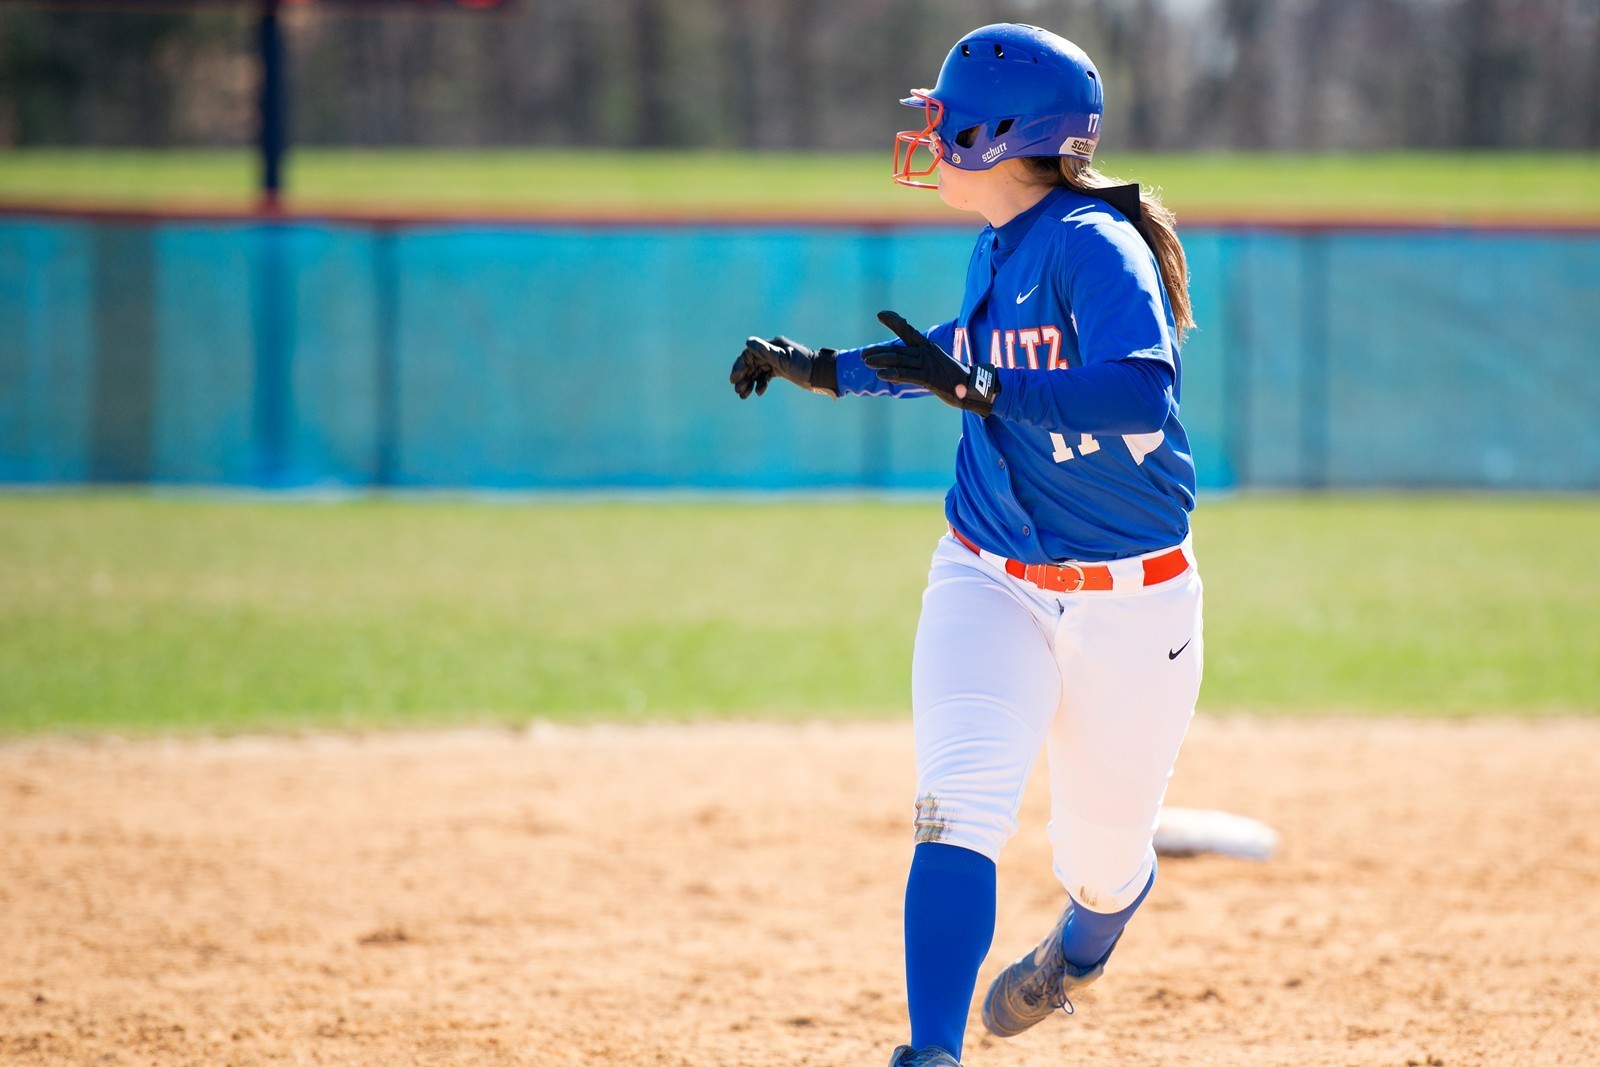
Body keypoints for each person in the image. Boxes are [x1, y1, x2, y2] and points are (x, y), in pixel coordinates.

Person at [729, 23, 1203, 1067]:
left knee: (1103, 859)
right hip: (988, 573)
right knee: (959, 802)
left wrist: (990, 391)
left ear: (1004, 132)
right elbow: (956, 355)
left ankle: (1075, 953)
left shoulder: (1092, 241)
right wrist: (825, 368)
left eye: (943, 115)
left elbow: (1141, 387)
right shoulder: (1000, 242)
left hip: (1132, 598)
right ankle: (930, 1051)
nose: (929, 130)